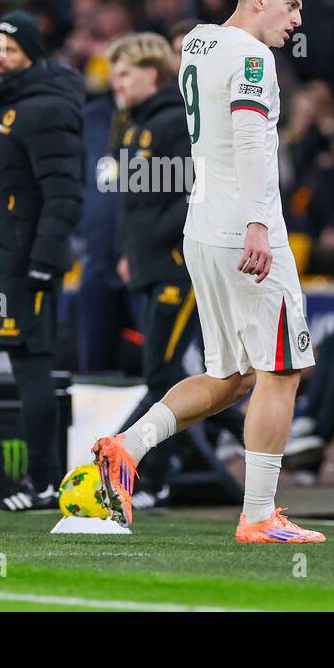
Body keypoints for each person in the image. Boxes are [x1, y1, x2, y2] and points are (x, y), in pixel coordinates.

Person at [92, 0, 326, 543]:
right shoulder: (253, 58)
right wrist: (258, 225)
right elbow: (250, 142)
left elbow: (204, 33)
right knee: (282, 369)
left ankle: (127, 447)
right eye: (291, 4)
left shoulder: (197, 43)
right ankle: (258, 515)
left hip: (202, 229)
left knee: (229, 377)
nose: (297, 19)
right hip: (245, 230)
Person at [0, 10, 85, 512]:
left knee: (35, 365)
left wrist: (44, 260)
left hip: (26, 261)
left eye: (10, 48)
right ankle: (41, 482)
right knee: (25, 364)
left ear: (31, 56)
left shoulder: (45, 109)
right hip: (3, 257)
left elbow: (64, 193)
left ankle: (41, 484)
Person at [107, 31, 199, 508]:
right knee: (165, 371)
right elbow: (132, 202)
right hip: (144, 265)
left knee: (161, 372)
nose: (115, 83)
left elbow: (189, 192)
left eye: (124, 74)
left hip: (176, 267)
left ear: (152, 73)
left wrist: (164, 244)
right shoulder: (127, 122)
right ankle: (167, 469)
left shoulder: (174, 120)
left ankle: (152, 475)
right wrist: (130, 250)